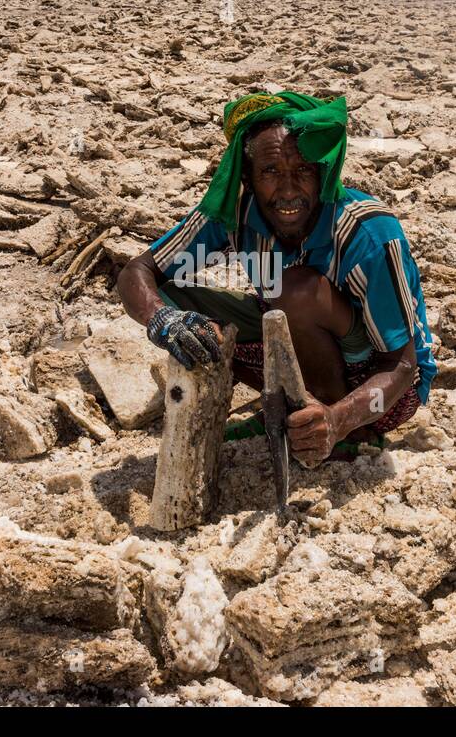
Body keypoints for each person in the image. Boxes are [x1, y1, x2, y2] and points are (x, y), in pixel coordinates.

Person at [118, 92, 436, 465]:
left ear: (322, 174)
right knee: (175, 300)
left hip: (382, 390)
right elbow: (139, 272)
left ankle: (341, 432)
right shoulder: (235, 213)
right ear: (249, 181)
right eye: (270, 172)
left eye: (302, 171)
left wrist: (338, 420)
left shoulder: (367, 235)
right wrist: (164, 321)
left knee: (294, 292)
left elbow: (401, 364)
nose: (288, 191)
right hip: (294, 341)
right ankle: (291, 415)